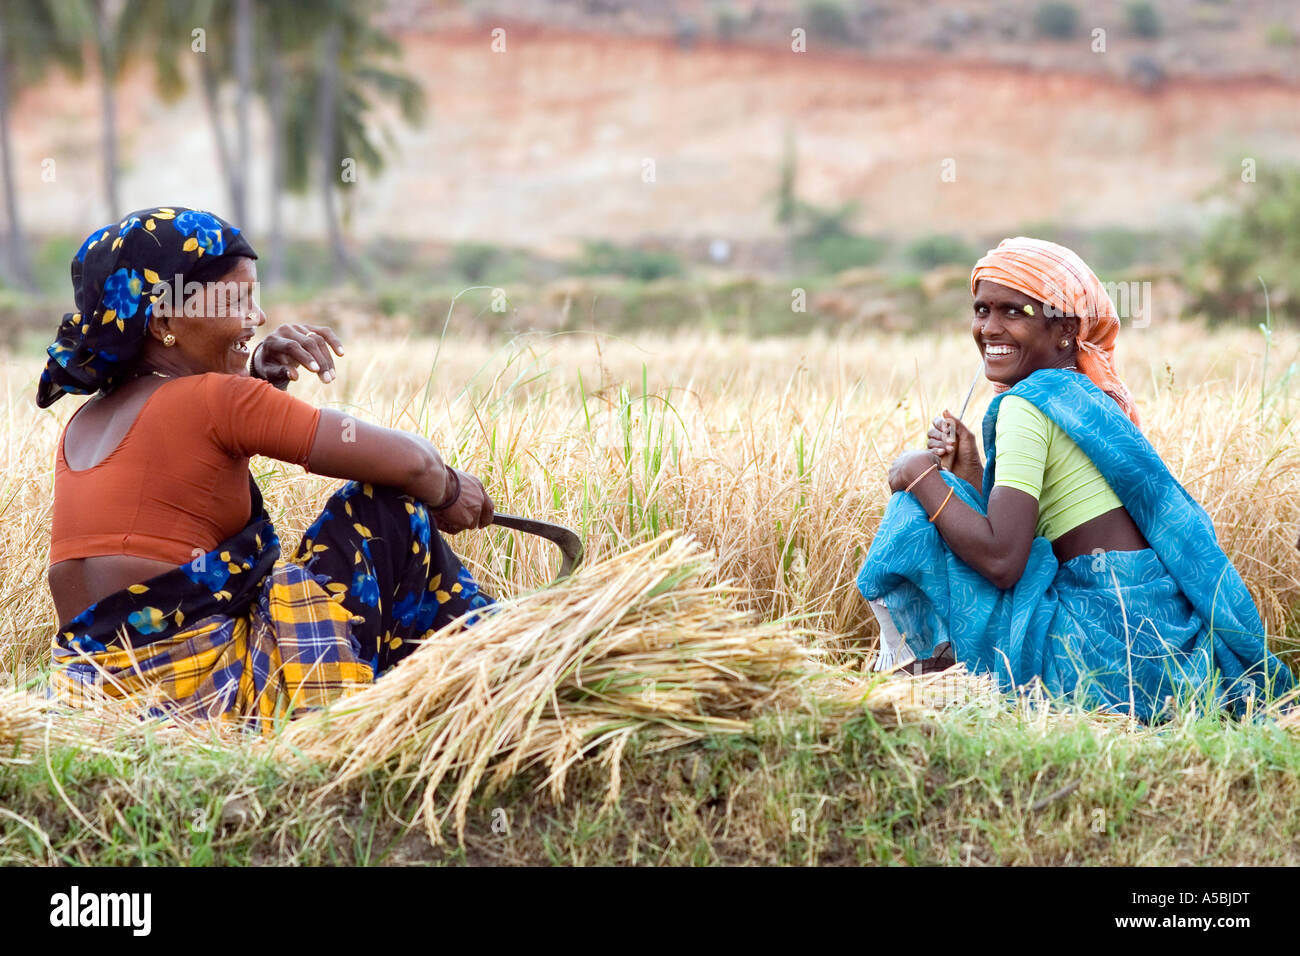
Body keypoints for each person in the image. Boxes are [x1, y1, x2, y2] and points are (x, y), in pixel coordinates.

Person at [39, 206, 495, 731]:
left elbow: (190, 448)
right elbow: (412, 463)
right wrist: (449, 489)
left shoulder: (84, 423)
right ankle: (500, 670)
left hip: (93, 700)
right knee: (386, 509)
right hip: (206, 697)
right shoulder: (219, 399)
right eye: (235, 301)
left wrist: (255, 375)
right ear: (164, 321)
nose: (255, 319)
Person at [857, 237, 1293, 722]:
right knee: (951, 494)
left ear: (1063, 329)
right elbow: (1045, 526)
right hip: (1165, 651)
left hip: (1095, 654)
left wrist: (918, 473)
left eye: (1013, 312)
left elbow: (1003, 560)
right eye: (981, 310)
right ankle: (936, 669)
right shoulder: (1085, 398)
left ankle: (904, 662)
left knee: (915, 511)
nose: (989, 327)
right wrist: (971, 472)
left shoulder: (1024, 405)